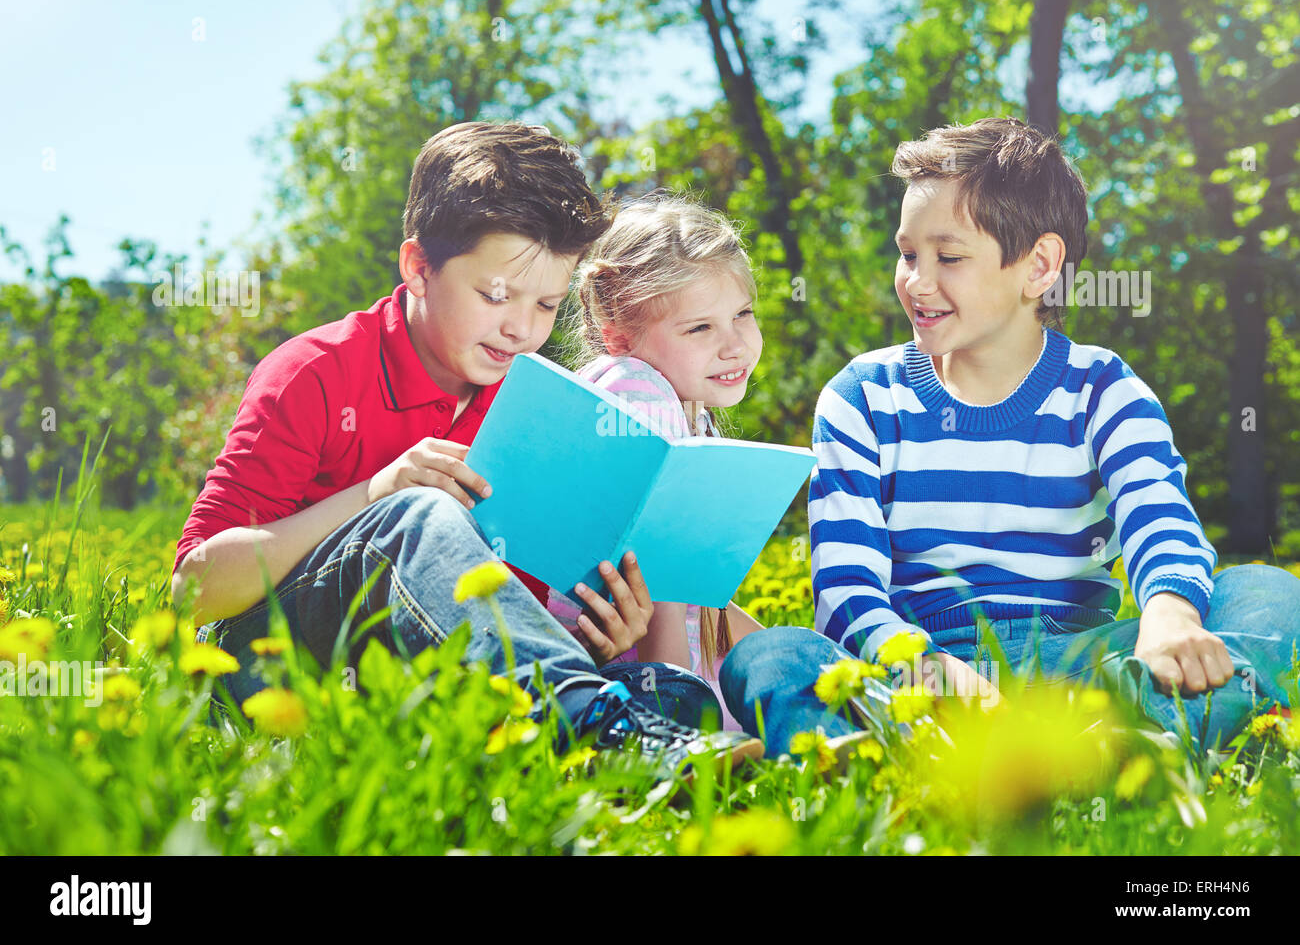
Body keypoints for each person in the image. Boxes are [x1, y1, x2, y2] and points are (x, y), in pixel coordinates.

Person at [169, 122, 763, 776]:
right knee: (419, 514)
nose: (521, 327)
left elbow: (507, 618)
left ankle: (591, 729)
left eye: (547, 305)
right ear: (419, 269)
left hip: (430, 688)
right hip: (276, 671)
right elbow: (193, 590)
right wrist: (374, 496)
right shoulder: (315, 372)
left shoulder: (535, 409)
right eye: (495, 296)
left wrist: (604, 635)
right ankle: (601, 729)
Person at [721, 116, 1300, 757]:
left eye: (949, 257)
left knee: (1267, 595)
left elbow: (1157, 513)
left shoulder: (1102, 388)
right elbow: (846, 591)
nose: (916, 280)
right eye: (908, 254)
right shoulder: (862, 397)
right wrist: (922, 665)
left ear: (1038, 266)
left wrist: (1169, 611)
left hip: (1079, 669)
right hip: (922, 676)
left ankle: (1119, 748)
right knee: (772, 654)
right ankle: (902, 761)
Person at [548, 190, 769, 731]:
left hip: (645, 661)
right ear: (618, 336)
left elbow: (700, 600)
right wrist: (683, 722)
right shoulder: (637, 390)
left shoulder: (685, 402)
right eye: (700, 328)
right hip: (625, 674)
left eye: (742, 314)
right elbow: (659, 584)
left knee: (792, 658)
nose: (735, 344)